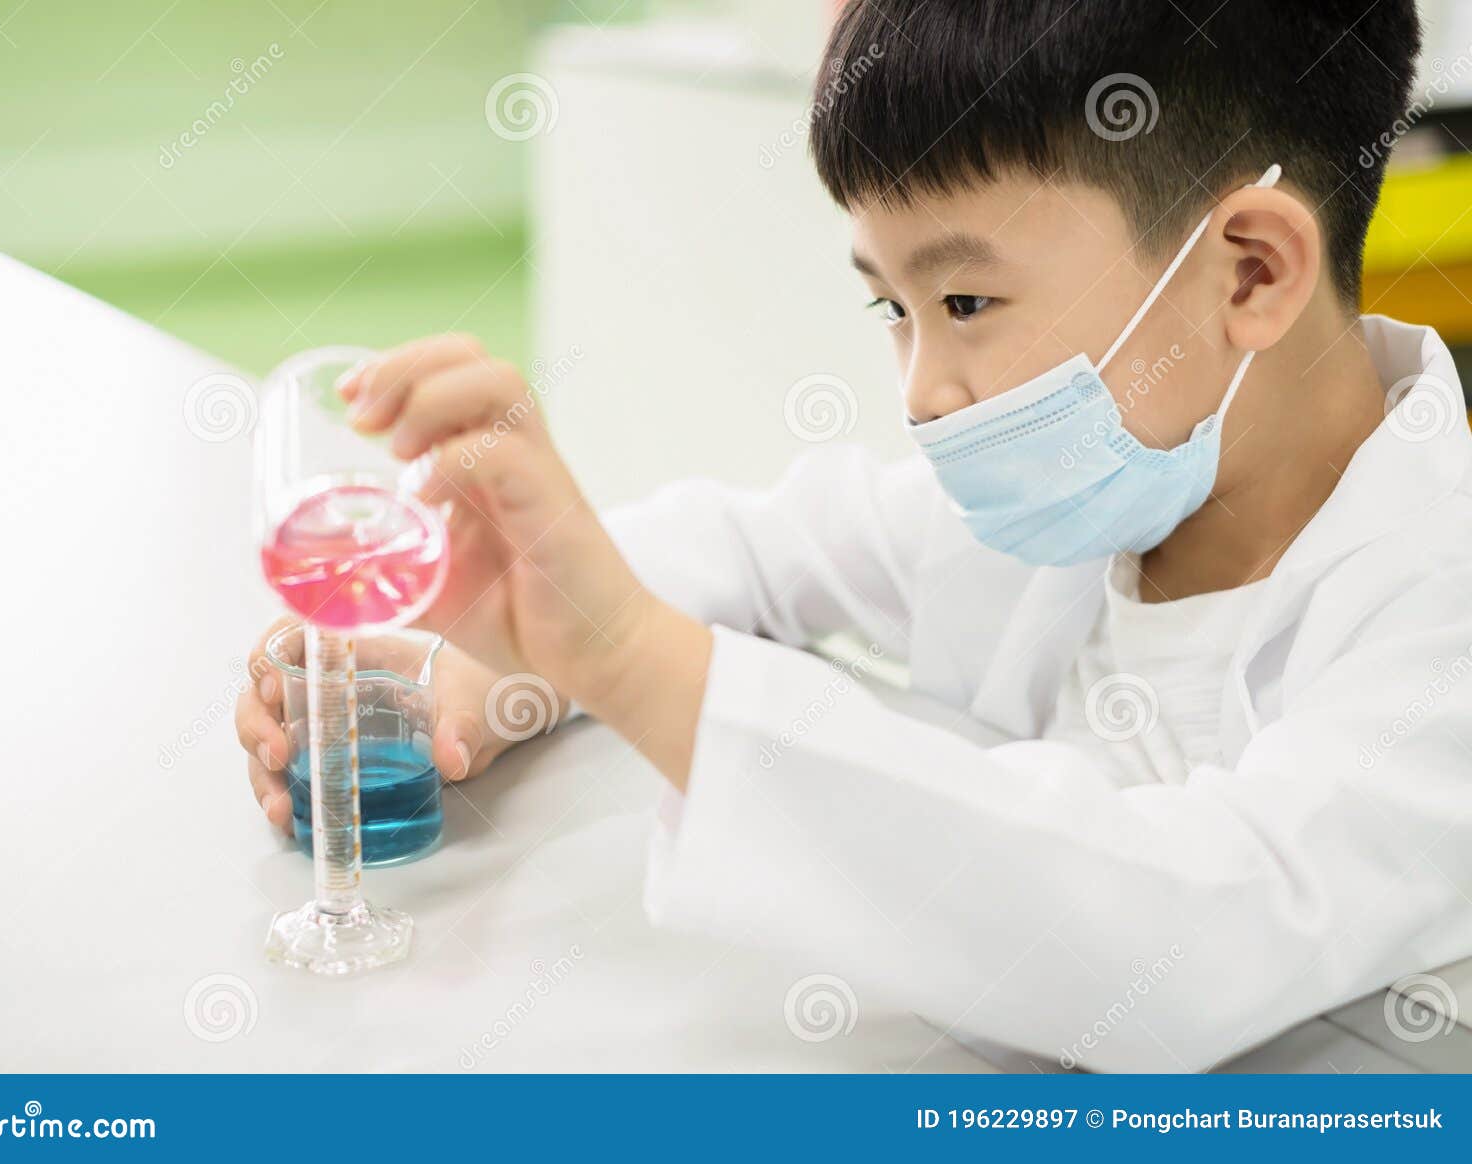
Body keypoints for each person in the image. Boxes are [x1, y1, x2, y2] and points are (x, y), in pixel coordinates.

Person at [236, 0, 1472, 1070]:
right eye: (892, 306)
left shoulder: (1435, 614)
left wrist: (626, 655)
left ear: (1251, 272)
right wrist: (489, 666)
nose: (923, 390)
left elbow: (1192, 940)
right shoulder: (1087, 495)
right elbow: (755, 549)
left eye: (966, 301)